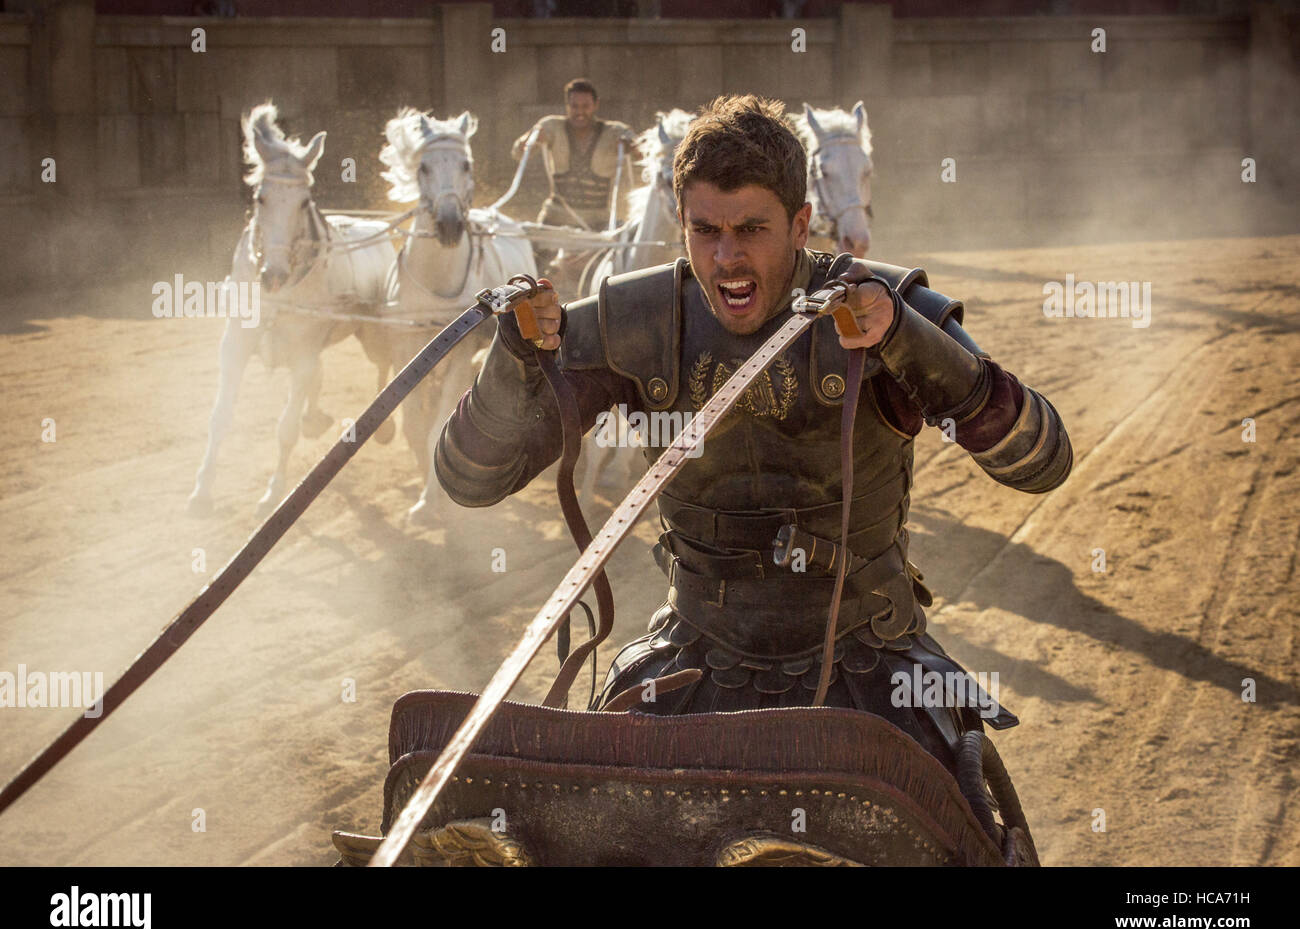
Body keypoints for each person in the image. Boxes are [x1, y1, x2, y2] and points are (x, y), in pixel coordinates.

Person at [437, 95, 1072, 775]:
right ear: (680, 222)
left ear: (801, 224)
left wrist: (907, 342)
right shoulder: (638, 319)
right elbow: (471, 480)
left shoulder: (882, 305)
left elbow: (1040, 460)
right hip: (695, 656)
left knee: (953, 825)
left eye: (751, 229)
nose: (727, 257)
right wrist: (513, 361)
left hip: (871, 657)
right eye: (704, 229)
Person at [511, 78, 635, 277]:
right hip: (555, 216)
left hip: (598, 220)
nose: (580, 112)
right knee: (530, 265)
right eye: (574, 106)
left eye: (585, 106)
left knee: (621, 264)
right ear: (567, 106)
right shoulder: (551, 126)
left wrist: (631, 147)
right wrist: (530, 142)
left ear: (595, 105)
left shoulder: (615, 131)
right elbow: (518, 152)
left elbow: (642, 153)